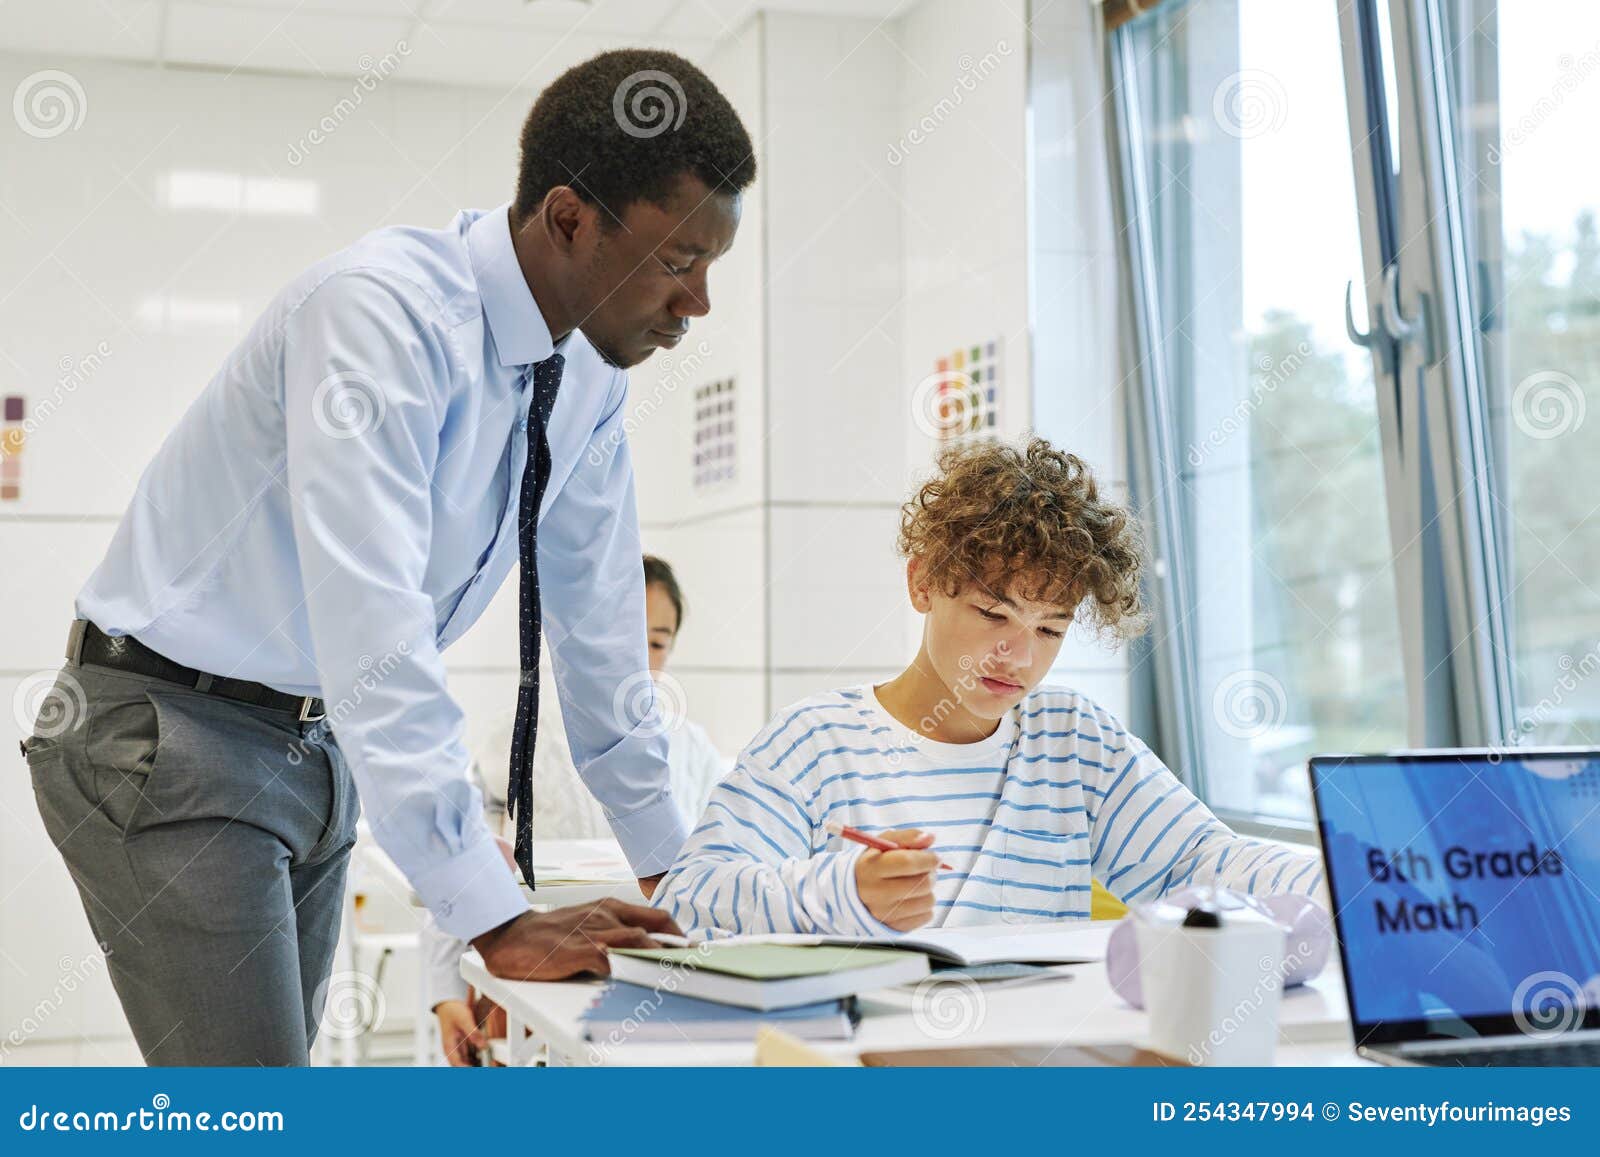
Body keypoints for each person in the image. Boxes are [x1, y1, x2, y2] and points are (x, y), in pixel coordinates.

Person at [21, 49, 753, 1065]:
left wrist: (685, 881)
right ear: (571, 218)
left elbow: (602, 642)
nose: (699, 304)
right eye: (679, 262)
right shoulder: (383, 315)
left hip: (314, 742)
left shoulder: (586, 381)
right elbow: (372, 617)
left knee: (283, 1090)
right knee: (254, 1109)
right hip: (172, 727)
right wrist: (497, 922)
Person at [653, 438, 1330, 937]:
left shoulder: (1075, 741)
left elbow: (1206, 861)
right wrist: (844, 891)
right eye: (993, 614)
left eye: (1051, 629)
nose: (1019, 657)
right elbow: (688, 898)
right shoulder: (816, 741)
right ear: (922, 582)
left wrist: (1354, 880)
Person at [429, 556, 730, 1064]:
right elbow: (464, 864)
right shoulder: (514, 736)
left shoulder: (694, 749)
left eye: (656, 641)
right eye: (627, 634)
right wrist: (445, 991)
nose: (639, 655)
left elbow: (714, 875)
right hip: (536, 977)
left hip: (655, 980)